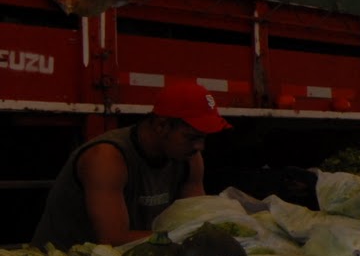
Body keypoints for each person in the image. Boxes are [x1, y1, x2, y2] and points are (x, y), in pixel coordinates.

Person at [33, 80, 229, 247]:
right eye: (192, 137)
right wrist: (190, 238)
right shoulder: (107, 158)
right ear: (161, 126)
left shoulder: (189, 158)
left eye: (204, 138)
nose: (200, 146)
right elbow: (113, 240)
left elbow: (196, 220)